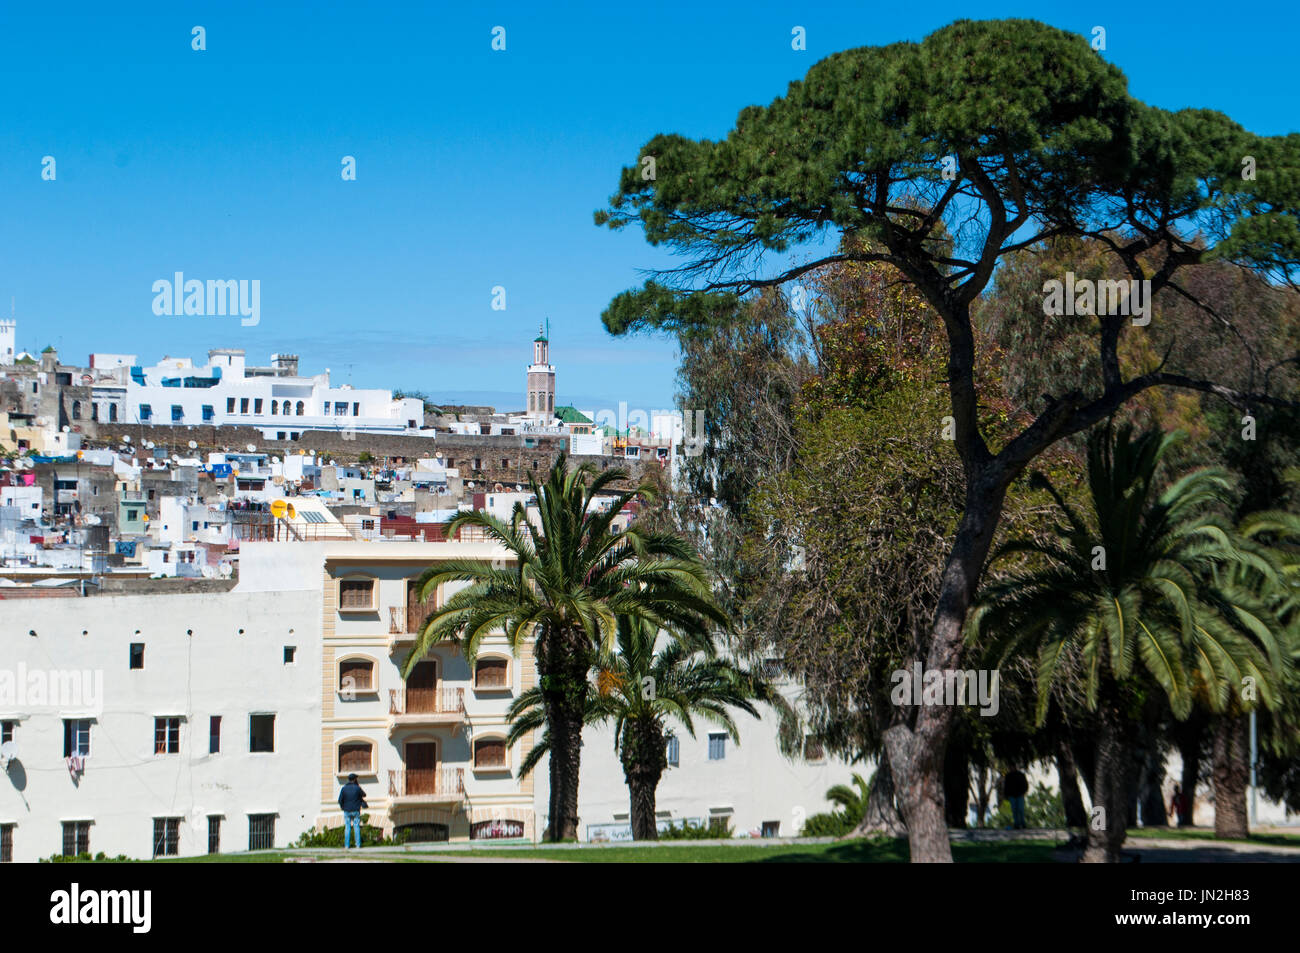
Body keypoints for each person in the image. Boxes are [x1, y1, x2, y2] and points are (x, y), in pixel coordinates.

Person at [338, 773, 368, 848]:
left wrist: (342, 807)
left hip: (347, 810)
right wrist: (358, 786)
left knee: (347, 827)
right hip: (356, 810)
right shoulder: (357, 788)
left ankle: (347, 845)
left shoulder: (344, 788)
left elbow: (340, 800)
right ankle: (358, 845)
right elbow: (364, 795)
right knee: (356, 827)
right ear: (355, 779)